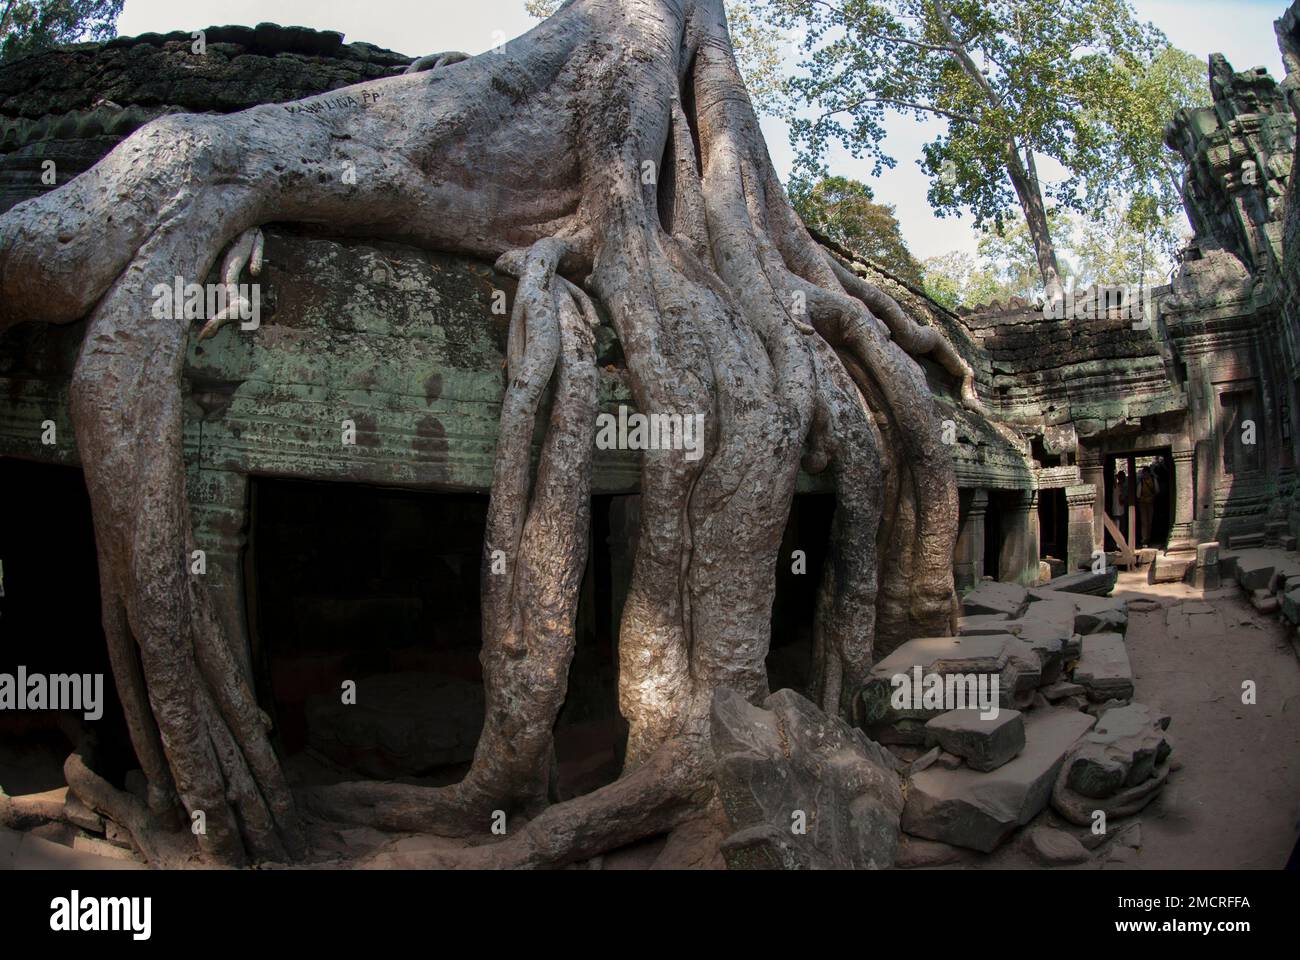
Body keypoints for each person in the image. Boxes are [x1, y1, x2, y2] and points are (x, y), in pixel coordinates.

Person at [1137, 465, 1159, 547]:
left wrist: (1151, 497)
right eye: (1144, 473)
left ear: (1149, 473)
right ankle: (1144, 539)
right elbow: (1138, 495)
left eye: (1146, 473)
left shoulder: (1153, 480)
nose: (1145, 475)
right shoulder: (1141, 482)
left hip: (1150, 503)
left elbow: (1157, 491)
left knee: (1150, 521)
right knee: (1144, 522)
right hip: (1142, 503)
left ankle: (1148, 538)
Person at [1111, 470, 1128, 547]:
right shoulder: (1116, 486)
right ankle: (1118, 543)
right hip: (1117, 510)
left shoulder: (1122, 487)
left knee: (1122, 527)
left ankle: (1120, 542)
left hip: (1121, 510)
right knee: (1117, 527)